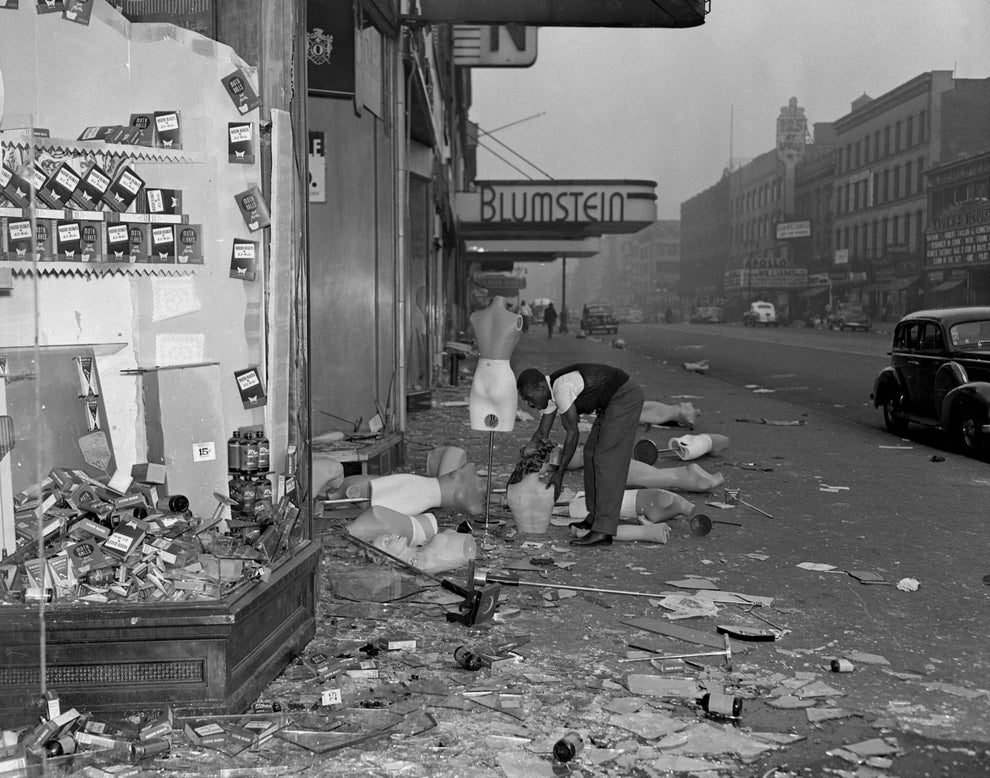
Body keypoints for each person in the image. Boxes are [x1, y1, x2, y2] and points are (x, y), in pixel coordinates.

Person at [517, 363, 645, 547]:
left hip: (624, 397)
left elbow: (573, 434)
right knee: (590, 453)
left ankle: (604, 530)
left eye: (530, 398)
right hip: (610, 403)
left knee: (606, 459)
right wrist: (528, 449)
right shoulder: (550, 394)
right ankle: (595, 518)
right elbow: (541, 434)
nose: (529, 404)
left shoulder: (561, 389)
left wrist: (559, 473)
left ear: (540, 387)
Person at [469, 295, 522, 431]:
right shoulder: (515, 318)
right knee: (504, 427)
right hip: (502, 377)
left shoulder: (475, 316)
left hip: (480, 378)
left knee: (478, 426)